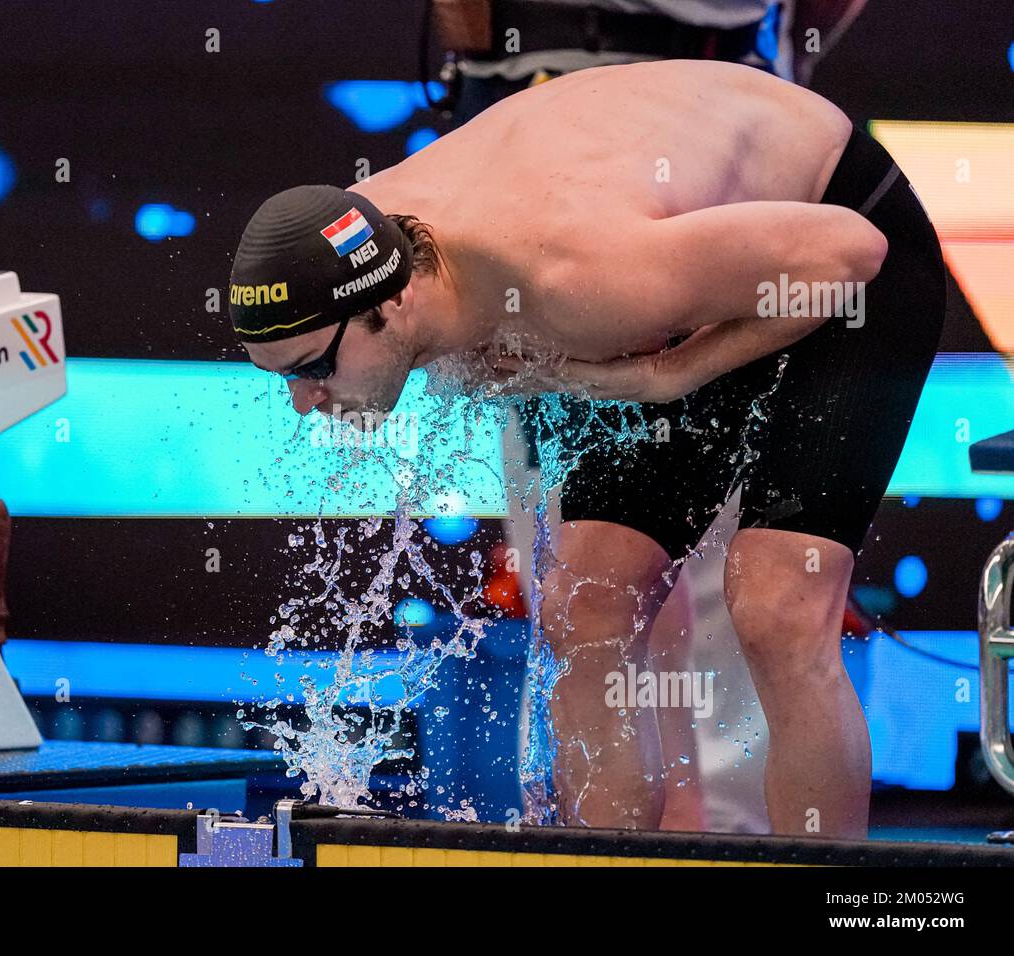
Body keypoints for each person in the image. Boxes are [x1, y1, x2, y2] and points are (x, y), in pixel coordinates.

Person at [226, 59, 944, 837]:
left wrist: (669, 375)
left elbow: (851, 255)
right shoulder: (365, 244)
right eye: (283, 381)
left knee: (775, 606)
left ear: (393, 304)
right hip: (693, 260)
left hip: (839, 247)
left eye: (313, 369)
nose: (306, 404)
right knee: (588, 609)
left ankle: (840, 908)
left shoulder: (575, 277)